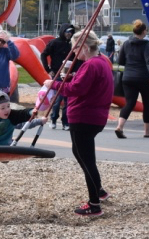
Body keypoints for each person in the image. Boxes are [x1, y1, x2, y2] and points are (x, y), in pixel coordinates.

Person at [43, 30, 113, 218]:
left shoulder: (91, 65)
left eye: (75, 47)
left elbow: (76, 89)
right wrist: (72, 77)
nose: (73, 52)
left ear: (84, 47)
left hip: (85, 116)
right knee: (81, 153)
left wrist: (54, 84)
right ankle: (98, 191)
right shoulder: (102, 62)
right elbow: (84, 84)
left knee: (85, 157)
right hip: (94, 115)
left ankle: (94, 204)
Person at [114, 20, 149, 139]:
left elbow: (120, 61)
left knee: (129, 103)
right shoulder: (145, 44)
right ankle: (147, 132)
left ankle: (119, 127)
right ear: (144, 31)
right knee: (147, 105)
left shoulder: (126, 44)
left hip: (128, 78)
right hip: (144, 78)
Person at [40, 24, 75, 130]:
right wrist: (48, 69)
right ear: (62, 31)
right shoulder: (54, 43)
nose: (69, 34)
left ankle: (66, 122)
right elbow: (43, 54)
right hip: (57, 74)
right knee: (57, 98)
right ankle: (54, 119)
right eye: (67, 31)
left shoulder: (73, 44)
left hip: (69, 74)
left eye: (71, 32)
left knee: (68, 99)